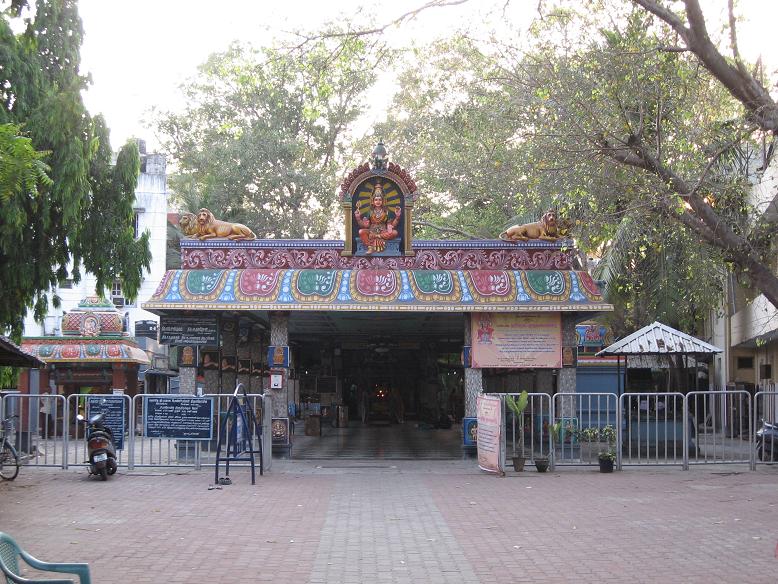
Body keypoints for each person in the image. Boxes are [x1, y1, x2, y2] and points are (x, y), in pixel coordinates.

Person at [354, 183, 401, 254]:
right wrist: (358, 218)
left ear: (383, 201)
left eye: (380, 200)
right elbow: (365, 226)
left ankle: (378, 237)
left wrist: (397, 217)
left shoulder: (386, 212)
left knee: (395, 232)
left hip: (383, 232)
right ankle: (370, 246)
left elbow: (391, 225)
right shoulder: (370, 212)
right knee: (361, 231)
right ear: (373, 201)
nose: (378, 202)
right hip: (371, 231)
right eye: (376, 200)